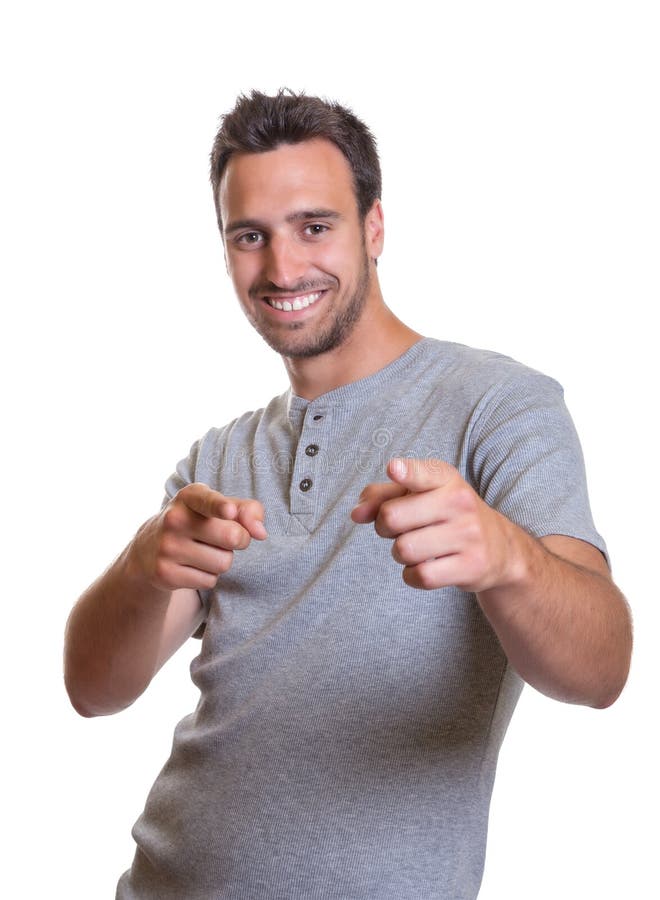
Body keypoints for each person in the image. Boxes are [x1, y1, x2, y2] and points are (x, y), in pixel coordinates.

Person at [64, 89, 632, 900]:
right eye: (250, 237)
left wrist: (507, 558)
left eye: (315, 226)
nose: (284, 267)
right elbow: (92, 690)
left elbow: (602, 668)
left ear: (374, 228)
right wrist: (142, 563)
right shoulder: (217, 458)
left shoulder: (498, 406)